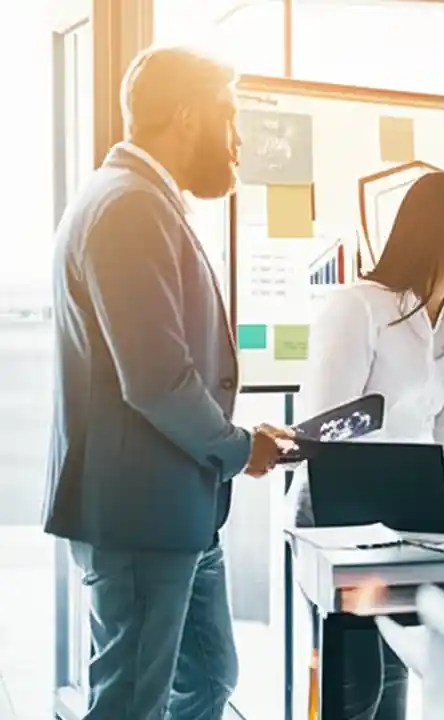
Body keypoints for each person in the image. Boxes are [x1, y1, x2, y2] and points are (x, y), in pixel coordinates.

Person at [44, 46, 293, 720]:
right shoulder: (128, 207)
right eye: (229, 118)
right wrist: (242, 448)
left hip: (176, 508)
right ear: (186, 116)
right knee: (130, 703)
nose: (238, 141)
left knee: (209, 680)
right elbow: (155, 379)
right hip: (139, 514)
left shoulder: (139, 198)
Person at [292, 170, 444, 720]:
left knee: (394, 688)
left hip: (415, 533)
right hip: (342, 533)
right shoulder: (358, 308)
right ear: (437, 228)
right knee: (357, 687)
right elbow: (323, 435)